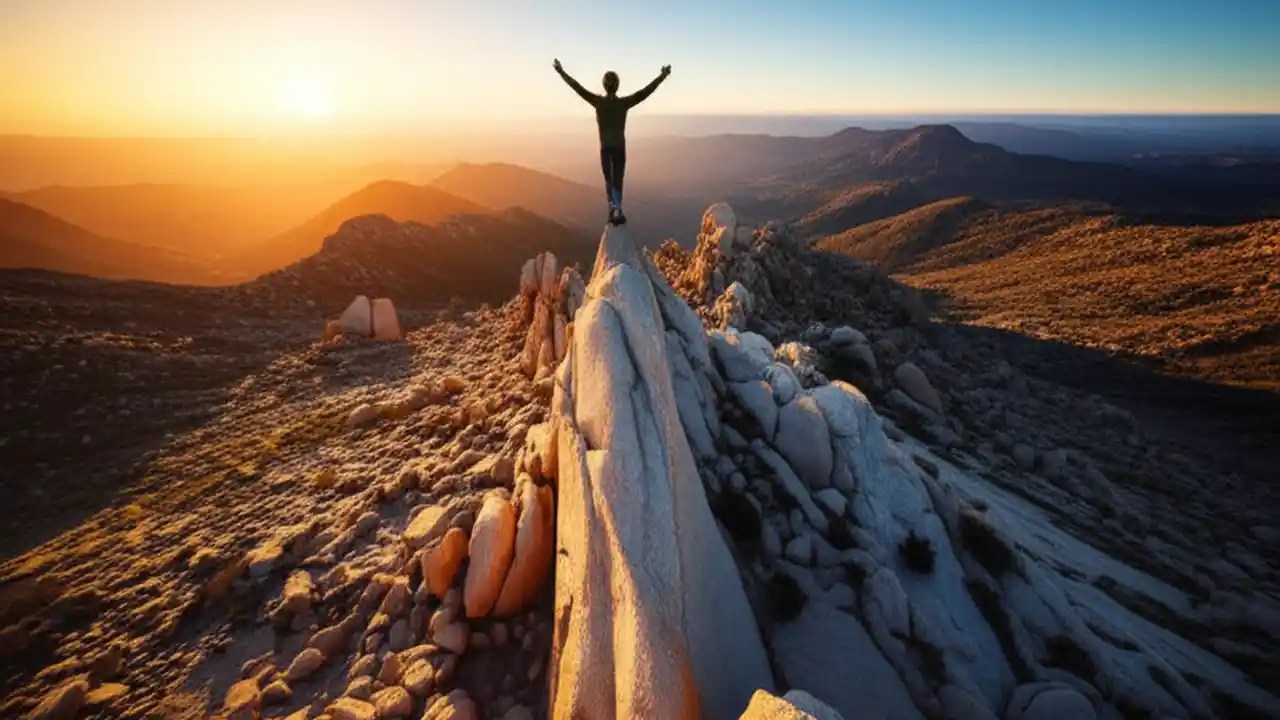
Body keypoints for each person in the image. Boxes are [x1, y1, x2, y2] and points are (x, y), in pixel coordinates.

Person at [554, 58, 671, 225]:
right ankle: (617, 210)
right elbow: (645, 92)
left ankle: (613, 210)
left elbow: (576, 87)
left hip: (605, 148)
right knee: (618, 179)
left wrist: (561, 71)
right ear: (617, 85)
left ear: (604, 85)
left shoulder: (598, 102)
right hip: (619, 148)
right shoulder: (623, 103)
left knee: (609, 180)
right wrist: (663, 76)